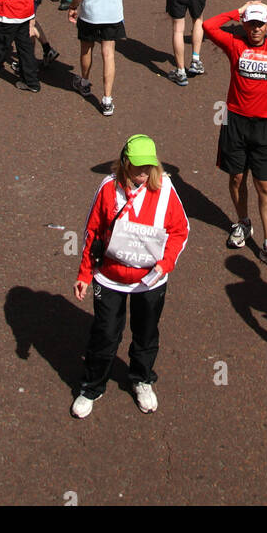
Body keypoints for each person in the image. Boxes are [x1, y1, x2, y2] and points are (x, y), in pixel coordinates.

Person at [70, 135, 189, 419]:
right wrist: (84, 274)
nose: (144, 173)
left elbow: (180, 230)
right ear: (124, 162)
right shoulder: (108, 188)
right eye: (138, 166)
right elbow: (93, 232)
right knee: (105, 334)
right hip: (109, 278)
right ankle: (91, 387)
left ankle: (142, 378)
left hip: (150, 281)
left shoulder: (166, 190)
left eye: (149, 166)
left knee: (146, 333)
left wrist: (166, 263)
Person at [203, 0, 267, 274]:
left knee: (266, 186)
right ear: (244, 25)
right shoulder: (235, 44)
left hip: (264, 126)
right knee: (236, 178)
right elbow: (207, 25)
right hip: (234, 121)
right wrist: (236, 11)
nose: (256, 29)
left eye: (260, 23)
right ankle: (243, 221)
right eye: (251, 23)